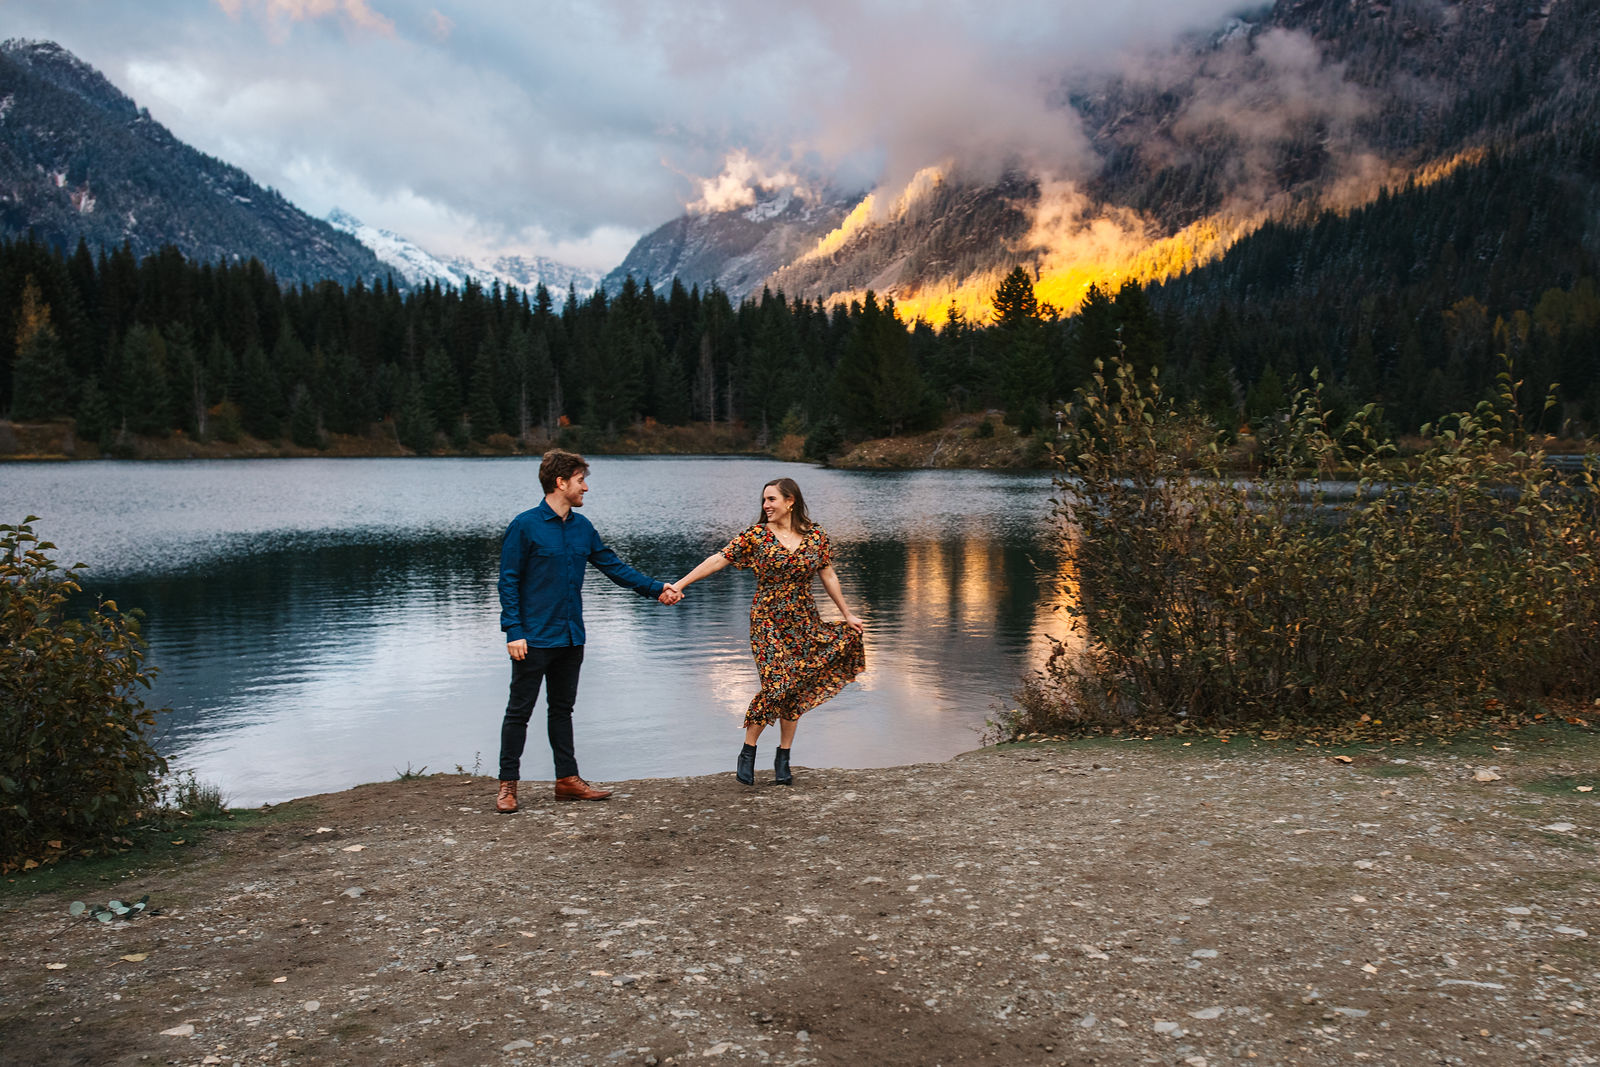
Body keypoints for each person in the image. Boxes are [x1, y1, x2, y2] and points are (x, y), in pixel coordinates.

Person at [495, 449, 681, 813]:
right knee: (519, 711)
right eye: (581, 480)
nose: (586, 488)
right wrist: (513, 630)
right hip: (532, 638)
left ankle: (567, 780)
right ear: (560, 482)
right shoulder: (525, 525)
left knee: (562, 710)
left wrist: (657, 587)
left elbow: (614, 566)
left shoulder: (582, 528)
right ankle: (507, 786)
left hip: (570, 637)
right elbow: (508, 582)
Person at [666, 477, 865, 786]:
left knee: (795, 688)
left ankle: (783, 757)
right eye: (763, 500)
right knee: (777, 684)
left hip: (804, 620)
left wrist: (847, 614)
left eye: (771, 499)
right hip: (767, 620)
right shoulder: (756, 536)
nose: (765, 506)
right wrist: (679, 584)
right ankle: (748, 749)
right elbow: (718, 559)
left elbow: (828, 574)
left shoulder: (816, 536)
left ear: (790, 502)